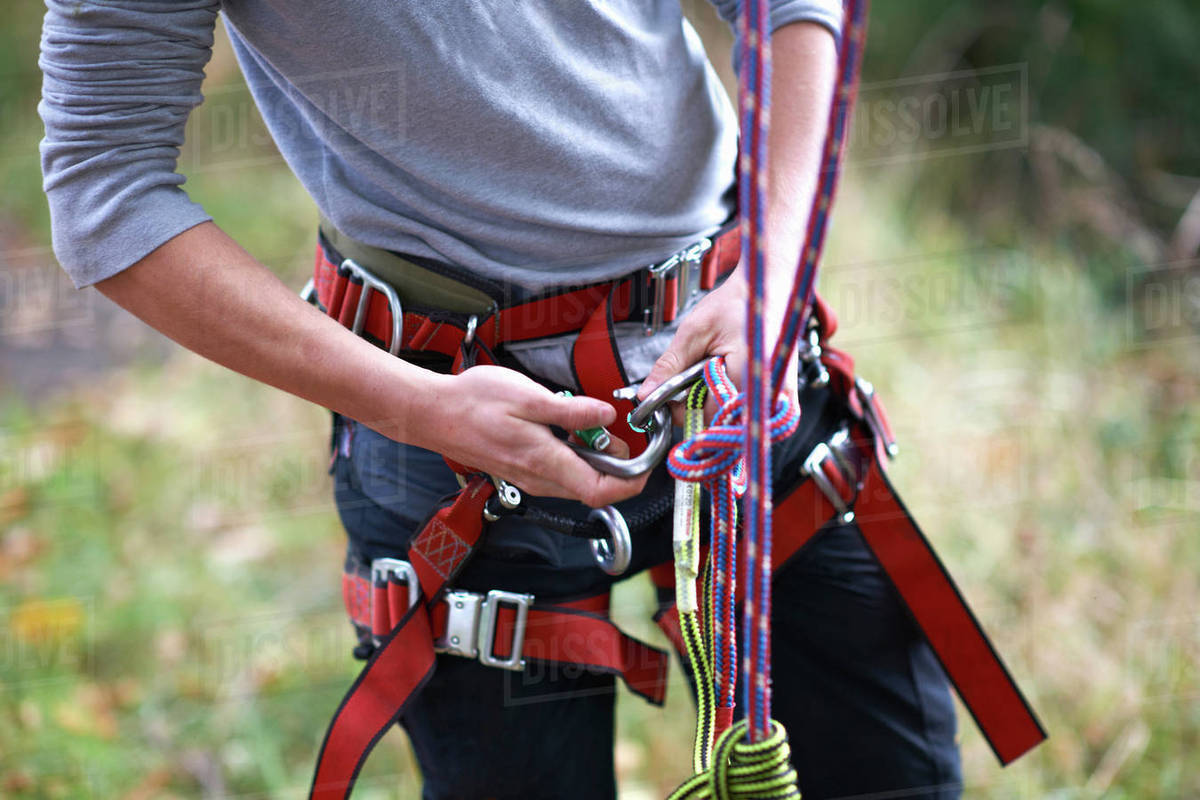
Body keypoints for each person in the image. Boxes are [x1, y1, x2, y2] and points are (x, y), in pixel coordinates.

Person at [39, 1, 965, 797]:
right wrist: (416, 407)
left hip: (738, 369)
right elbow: (103, 187)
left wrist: (775, 262)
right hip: (453, 444)